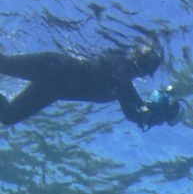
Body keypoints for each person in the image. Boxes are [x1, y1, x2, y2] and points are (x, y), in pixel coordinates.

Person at [0, 39, 182, 129]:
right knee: (3, 64)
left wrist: (154, 117)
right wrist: (143, 106)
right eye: (142, 61)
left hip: (51, 90)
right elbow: (121, 78)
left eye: (145, 68)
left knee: (8, 117)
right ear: (134, 55)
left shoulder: (122, 91)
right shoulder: (119, 62)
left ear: (146, 74)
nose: (138, 68)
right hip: (54, 66)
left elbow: (133, 115)